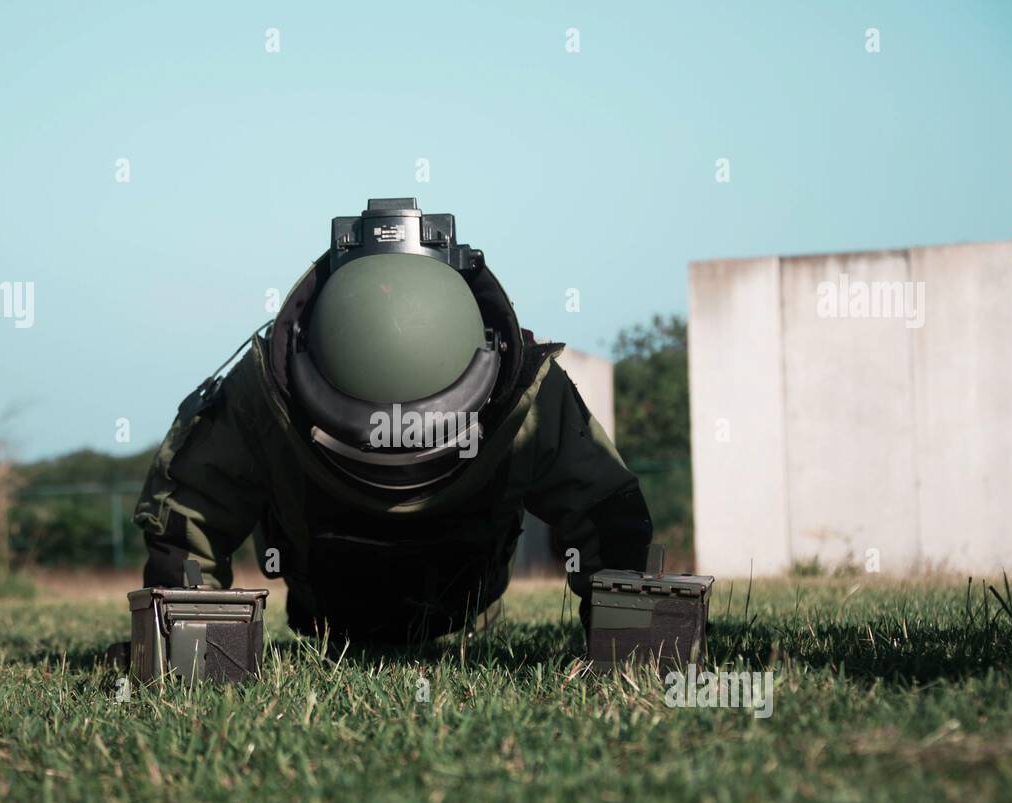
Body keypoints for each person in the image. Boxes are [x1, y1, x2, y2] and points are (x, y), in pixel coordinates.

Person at [133, 198, 652, 644]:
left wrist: (188, 632)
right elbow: (606, 510)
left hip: (391, 610)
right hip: (354, 611)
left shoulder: (525, 395)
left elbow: (190, 511)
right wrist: (634, 635)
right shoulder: (265, 391)